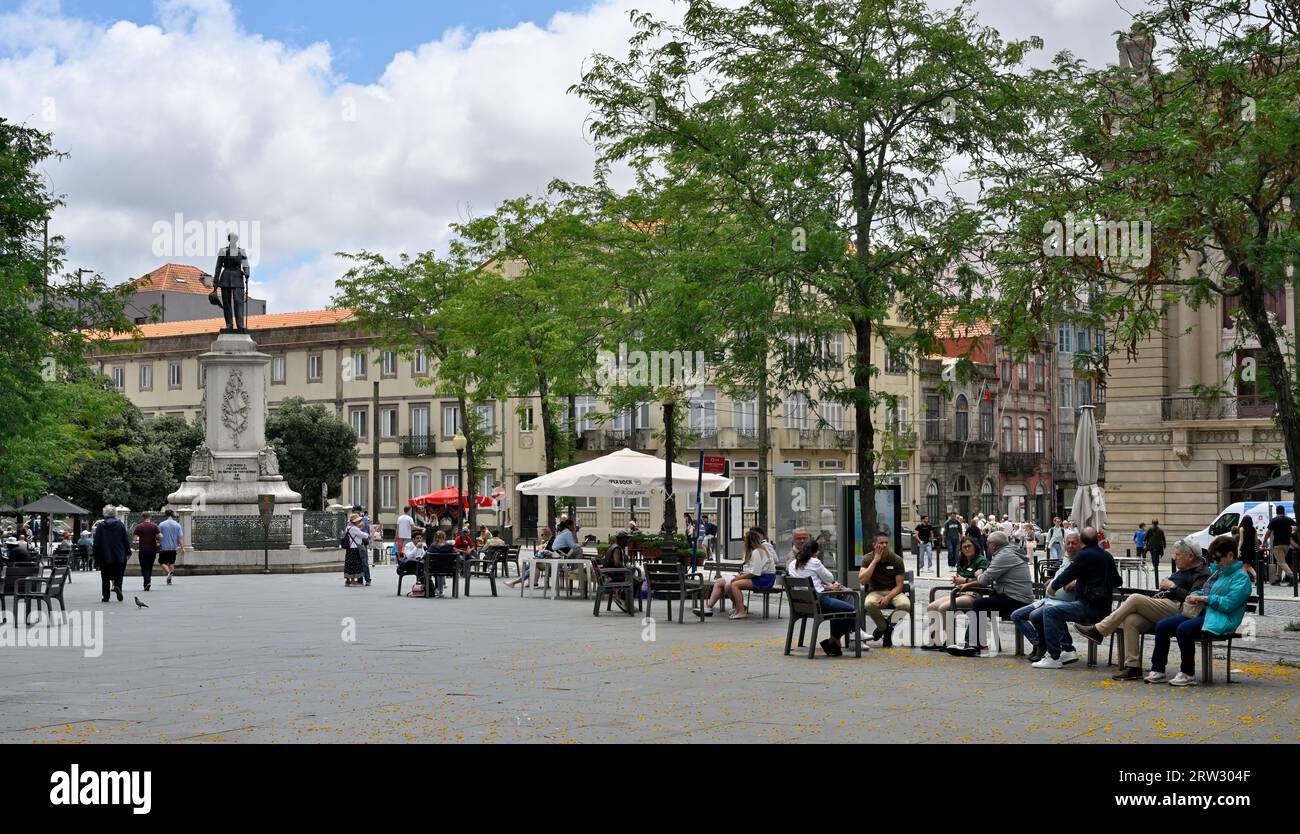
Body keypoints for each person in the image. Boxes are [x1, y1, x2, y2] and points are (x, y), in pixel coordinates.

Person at [1074, 538, 1211, 680]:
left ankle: (1099, 630)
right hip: (1164, 605)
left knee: (1135, 598)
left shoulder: (1201, 573)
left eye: (1178, 554)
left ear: (1190, 556)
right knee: (1131, 620)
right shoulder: (1180, 571)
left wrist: (1173, 587)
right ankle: (1133, 667)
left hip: (1180, 609)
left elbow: (1193, 599)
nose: (1174, 558)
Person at [1146, 535, 1252, 686]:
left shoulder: (1241, 578)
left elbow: (1229, 603)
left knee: (1183, 629)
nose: (1215, 563)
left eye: (1218, 559)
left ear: (1230, 555)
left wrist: (1205, 599)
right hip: (1206, 614)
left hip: (1222, 619)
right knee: (1163, 626)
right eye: (1214, 559)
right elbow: (1205, 591)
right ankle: (1158, 670)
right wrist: (1195, 595)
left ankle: (1188, 673)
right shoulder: (1219, 572)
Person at [1030, 526, 1121, 669]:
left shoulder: (1084, 555)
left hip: (1088, 607)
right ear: (1096, 539)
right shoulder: (1106, 556)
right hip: (1105, 608)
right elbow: (1118, 582)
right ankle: (1067, 650)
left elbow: (1069, 574)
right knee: (1055, 611)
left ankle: (1054, 656)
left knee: (1050, 611)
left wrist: (1053, 587)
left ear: (1082, 541)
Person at [948, 530, 1034, 657]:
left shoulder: (1004, 555)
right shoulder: (1008, 552)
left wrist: (975, 578)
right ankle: (978, 645)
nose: (987, 546)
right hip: (1016, 595)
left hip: (1017, 598)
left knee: (979, 605)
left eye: (988, 544)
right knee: (981, 608)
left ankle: (972, 644)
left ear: (993, 545)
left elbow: (984, 579)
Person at [1011, 531, 1083, 664]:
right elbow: (1062, 574)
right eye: (1068, 543)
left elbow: (1091, 577)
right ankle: (1040, 643)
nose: (1071, 546)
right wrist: (1053, 580)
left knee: (1038, 615)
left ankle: (1061, 649)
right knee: (1017, 615)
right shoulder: (1067, 557)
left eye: (1074, 543)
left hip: (1062, 602)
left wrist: (1076, 582)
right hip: (1048, 599)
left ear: (1081, 545)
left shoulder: (1083, 559)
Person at [787, 540, 858, 656]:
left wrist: (824, 584)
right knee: (852, 610)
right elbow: (830, 577)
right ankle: (834, 640)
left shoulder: (792, 564)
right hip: (819, 603)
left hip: (802, 605)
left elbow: (811, 581)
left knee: (840, 605)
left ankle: (835, 644)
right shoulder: (815, 562)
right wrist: (828, 583)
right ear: (816, 552)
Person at [924, 536, 988, 650]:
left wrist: (965, 580)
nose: (967, 549)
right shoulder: (962, 562)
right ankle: (936, 640)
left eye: (969, 546)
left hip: (974, 595)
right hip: (959, 593)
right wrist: (958, 580)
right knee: (931, 607)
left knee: (944, 607)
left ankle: (949, 640)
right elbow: (960, 579)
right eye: (964, 547)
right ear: (961, 550)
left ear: (975, 547)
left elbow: (983, 581)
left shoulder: (981, 560)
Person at [699, 528, 776, 620]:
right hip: (762, 577)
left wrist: (739, 578)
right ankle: (739, 608)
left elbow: (755, 572)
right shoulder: (758, 550)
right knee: (729, 584)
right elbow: (755, 570)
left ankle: (741, 611)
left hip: (765, 579)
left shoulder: (756, 551)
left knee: (734, 584)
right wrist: (741, 576)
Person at [860, 531, 909, 647]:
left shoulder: (896, 560)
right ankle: (885, 629)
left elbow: (899, 586)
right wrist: (875, 560)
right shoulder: (867, 558)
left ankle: (885, 627)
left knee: (905, 605)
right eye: (881, 543)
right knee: (869, 604)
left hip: (894, 592)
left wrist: (888, 597)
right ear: (874, 545)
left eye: (886, 542)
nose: (884, 545)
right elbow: (863, 580)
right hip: (875, 591)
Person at [92, 505, 130, 603]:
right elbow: (125, 540)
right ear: (115, 514)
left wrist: (96, 556)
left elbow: (96, 543)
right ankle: (117, 587)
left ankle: (106, 596)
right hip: (119, 555)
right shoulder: (120, 525)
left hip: (105, 556)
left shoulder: (100, 526)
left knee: (105, 577)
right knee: (119, 575)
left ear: (105, 513)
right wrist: (128, 552)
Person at [1263, 505, 1296, 584]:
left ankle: (1292, 576)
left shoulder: (1274, 520)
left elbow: (1268, 532)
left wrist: (1264, 542)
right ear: (1283, 511)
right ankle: (1278, 577)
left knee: (1281, 562)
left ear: (1277, 511)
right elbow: (1295, 526)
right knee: (1280, 560)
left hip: (1278, 544)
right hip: (1287, 544)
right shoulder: (1288, 519)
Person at [131, 512, 161, 592]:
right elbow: (160, 536)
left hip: (143, 549)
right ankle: (148, 582)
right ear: (150, 517)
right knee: (150, 566)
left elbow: (134, 538)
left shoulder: (139, 526)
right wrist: (157, 539)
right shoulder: (154, 526)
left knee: (144, 567)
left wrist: (137, 541)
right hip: (152, 549)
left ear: (143, 517)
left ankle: (147, 582)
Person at [425, 530, 457, 597]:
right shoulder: (449, 547)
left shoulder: (432, 546)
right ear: (444, 537)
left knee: (436, 566)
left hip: (433, 569)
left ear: (435, 537)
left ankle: (432, 589)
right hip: (448, 569)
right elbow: (455, 555)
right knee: (442, 567)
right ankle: (440, 591)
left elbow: (426, 556)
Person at [158, 509, 183, 585]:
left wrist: (158, 542)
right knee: (171, 563)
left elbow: (159, 535)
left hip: (164, 547)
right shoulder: (177, 525)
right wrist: (182, 547)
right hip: (173, 547)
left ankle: (169, 573)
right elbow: (180, 537)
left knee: (161, 562)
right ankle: (170, 579)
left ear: (166, 515)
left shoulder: (162, 524)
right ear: (172, 515)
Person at [342, 512, 368, 587]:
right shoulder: (354, 529)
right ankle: (353, 581)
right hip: (355, 548)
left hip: (349, 549)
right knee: (355, 564)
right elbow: (364, 535)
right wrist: (368, 534)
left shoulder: (348, 528)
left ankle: (348, 580)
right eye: (358, 521)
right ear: (355, 521)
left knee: (348, 564)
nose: (359, 522)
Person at [1236, 514, 1259, 582]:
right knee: (1247, 565)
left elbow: (1241, 540)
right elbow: (1256, 540)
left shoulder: (1242, 528)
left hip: (1244, 548)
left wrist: (1238, 548)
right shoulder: (1253, 529)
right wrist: (1258, 548)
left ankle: (1246, 580)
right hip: (1251, 549)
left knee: (1244, 565)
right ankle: (1256, 576)